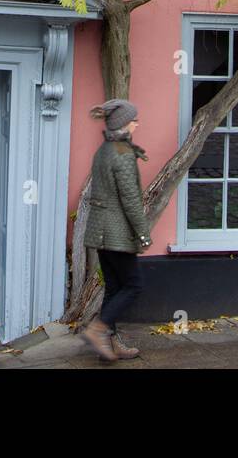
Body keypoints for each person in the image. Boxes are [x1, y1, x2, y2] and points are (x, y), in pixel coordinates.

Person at [80, 98, 151, 362]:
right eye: (134, 119)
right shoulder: (122, 154)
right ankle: (99, 330)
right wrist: (143, 233)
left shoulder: (104, 150)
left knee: (113, 287)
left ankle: (110, 345)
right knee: (133, 285)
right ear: (123, 123)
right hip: (116, 233)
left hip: (100, 231)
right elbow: (131, 201)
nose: (137, 122)